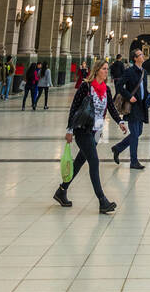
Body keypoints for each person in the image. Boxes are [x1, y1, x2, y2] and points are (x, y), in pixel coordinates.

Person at [54, 57, 126, 214]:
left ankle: (62, 190)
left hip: (97, 130)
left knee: (79, 161)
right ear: (97, 70)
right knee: (94, 162)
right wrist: (69, 129)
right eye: (104, 69)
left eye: (107, 69)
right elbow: (74, 107)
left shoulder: (106, 89)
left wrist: (120, 122)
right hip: (83, 129)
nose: (107, 71)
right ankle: (102, 201)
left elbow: (111, 108)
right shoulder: (86, 87)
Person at [111, 47, 150, 169]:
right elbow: (119, 85)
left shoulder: (144, 72)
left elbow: (144, 89)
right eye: (140, 55)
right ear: (135, 58)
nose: (142, 56)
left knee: (138, 132)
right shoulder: (129, 71)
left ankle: (117, 148)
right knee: (134, 134)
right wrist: (128, 97)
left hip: (141, 106)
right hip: (132, 107)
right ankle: (134, 161)